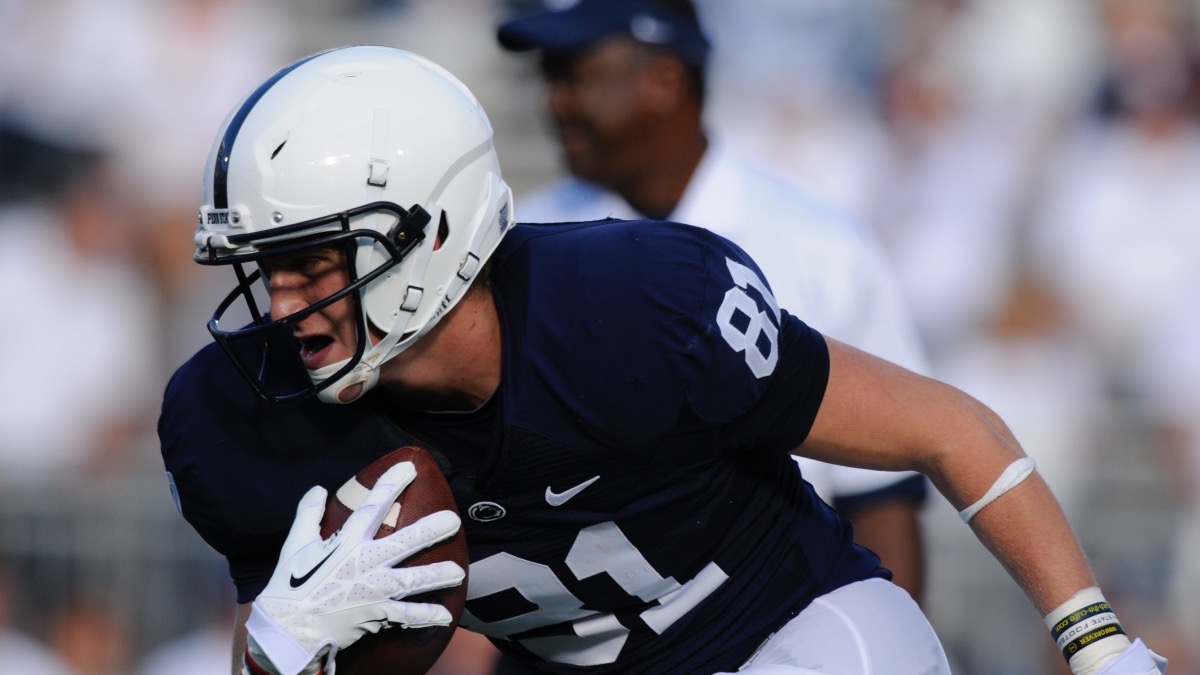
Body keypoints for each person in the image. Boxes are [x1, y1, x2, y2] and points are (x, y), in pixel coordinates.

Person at [160, 45, 1167, 675]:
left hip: (794, 635)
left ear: (428, 233)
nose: (281, 304)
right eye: (264, 268)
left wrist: (1095, 642)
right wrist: (281, 649)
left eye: (309, 263)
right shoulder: (241, 413)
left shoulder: (631, 311)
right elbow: (293, 652)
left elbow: (948, 428)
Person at [494, 0, 930, 601]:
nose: (554, 102)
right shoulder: (520, 247)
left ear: (663, 80)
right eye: (549, 77)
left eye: (576, 74)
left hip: (789, 635)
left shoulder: (819, 247)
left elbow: (882, 492)